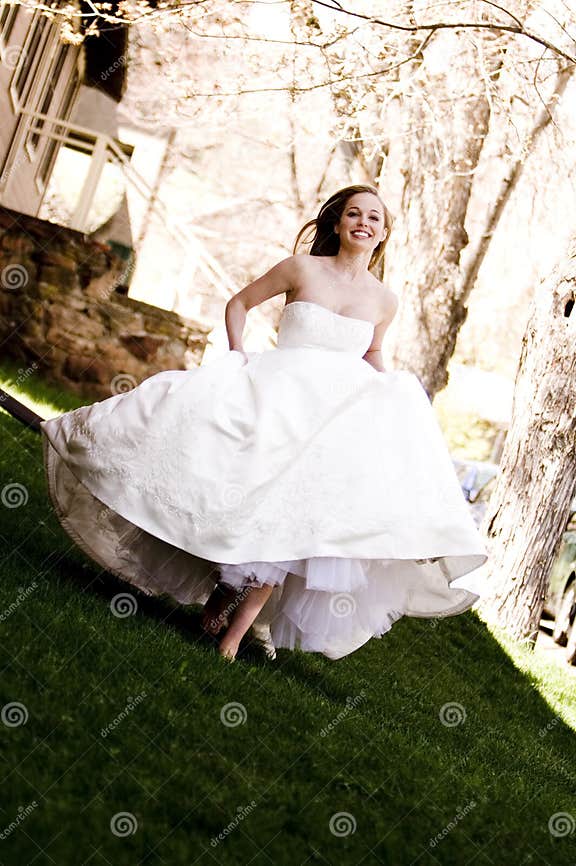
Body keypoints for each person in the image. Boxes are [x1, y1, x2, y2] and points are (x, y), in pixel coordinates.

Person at [40, 184, 488, 663]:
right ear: (337, 224)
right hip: (276, 392)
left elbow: (371, 351)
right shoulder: (301, 269)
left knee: (293, 513)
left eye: (374, 218)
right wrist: (238, 358)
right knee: (239, 491)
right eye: (354, 214)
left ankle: (237, 630)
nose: (363, 222)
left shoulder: (385, 300)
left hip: (332, 418)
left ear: (383, 234)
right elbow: (239, 303)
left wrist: (392, 394)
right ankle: (219, 593)